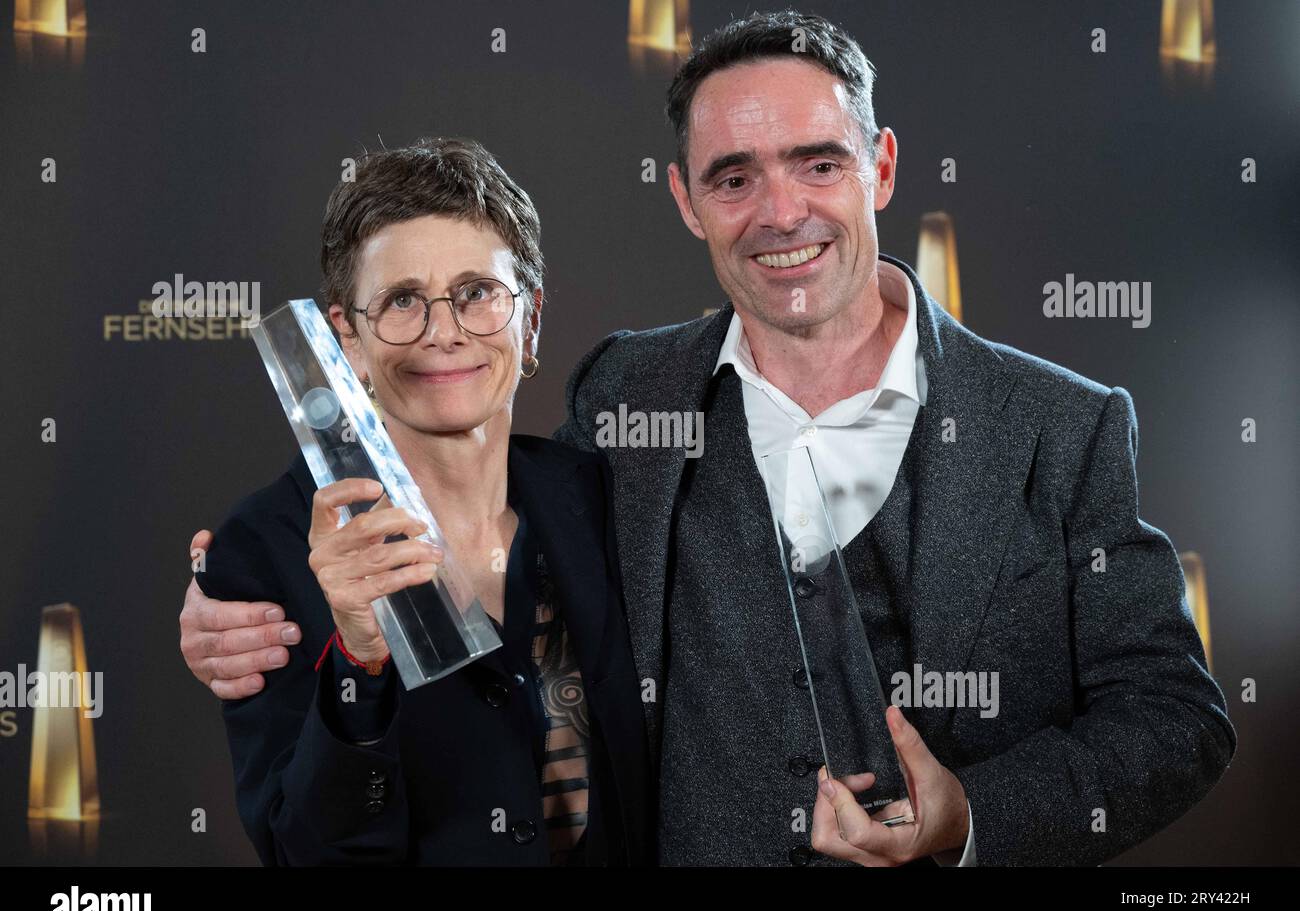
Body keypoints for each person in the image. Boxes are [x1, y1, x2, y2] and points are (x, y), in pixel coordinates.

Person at [181, 11, 1235, 867]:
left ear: (882, 166)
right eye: (734, 177)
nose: (779, 211)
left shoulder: (1060, 422)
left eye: (817, 164)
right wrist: (249, 608)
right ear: (686, 200)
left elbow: (1174, 716)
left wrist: (971, 816)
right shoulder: (630, 395)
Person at [190, 137, 651, 865]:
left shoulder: (604, 499)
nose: (444, 333)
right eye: (403, 301)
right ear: (347, 341)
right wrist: (359, 659)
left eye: (477, 294)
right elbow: (306, 853)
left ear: (529, 321)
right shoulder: (263, 552)